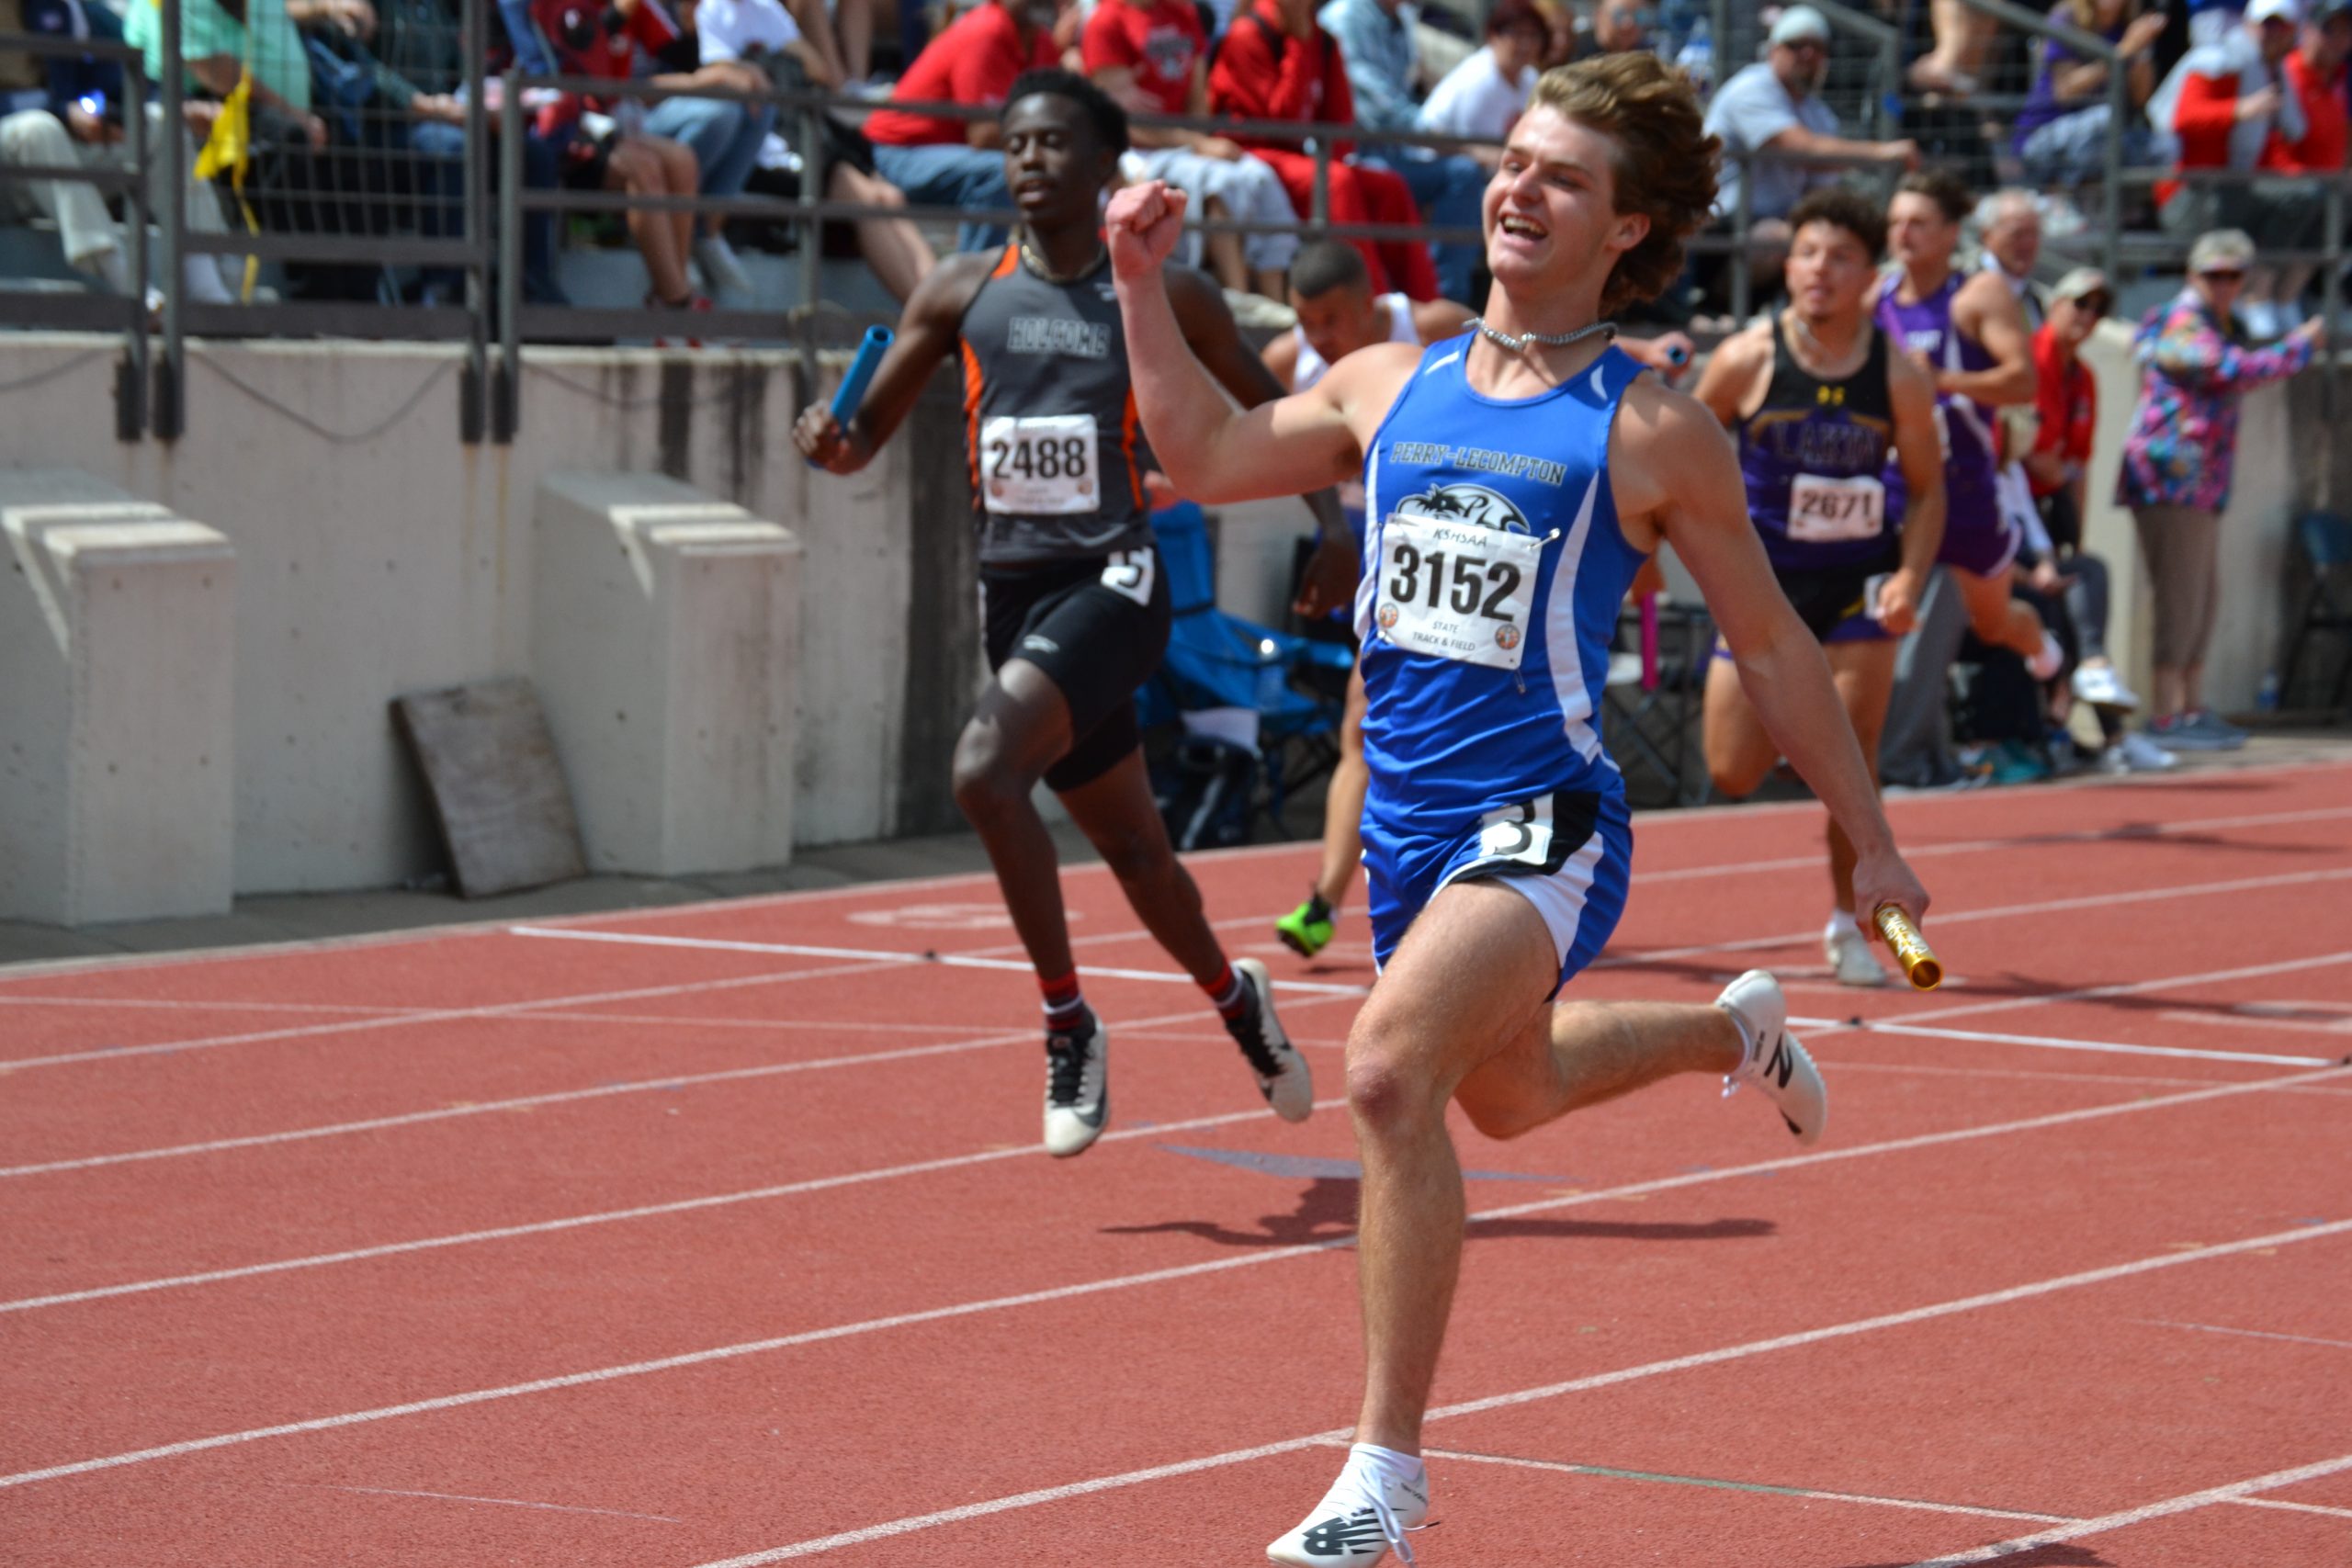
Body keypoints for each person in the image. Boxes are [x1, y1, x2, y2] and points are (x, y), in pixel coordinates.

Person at [1106, 51, 1930, 1562]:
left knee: (1380, 1078)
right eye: (1514, 162)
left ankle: (1382, 1484)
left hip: (1547, 816)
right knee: (1506, 1092)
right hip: (1416, 833)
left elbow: (1771, 645)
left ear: (1626, 229)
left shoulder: (1651, 425)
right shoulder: (1389, 381)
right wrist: (1139, 283)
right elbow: (1208, 453)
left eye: (1564, 176)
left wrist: (1871, 836)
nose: (1519, 187)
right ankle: (1729, 1030)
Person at [796, 72, 1352, 1157]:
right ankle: (1239, 1001)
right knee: (1140, 858)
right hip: (1016, 602)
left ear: (1107, 168)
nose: (1029, 160)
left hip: (1116, 582)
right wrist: (826, 436)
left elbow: (1269, 402)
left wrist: (1330, 523)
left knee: (978, 772)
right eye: (1013, 145)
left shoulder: (1157, 293)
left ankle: (1066, 1019)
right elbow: (861, 438)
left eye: (1054, 144)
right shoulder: (959, 291)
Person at [1694, 186, 1945, 988]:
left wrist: (1908, 575)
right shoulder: (1745, 357)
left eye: (1839, 257)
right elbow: (1677, 453)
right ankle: (1792, 730)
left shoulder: (1897, 375)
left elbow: (1931, 489)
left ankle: (1849, 923)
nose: (1818, 270)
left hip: (1857, 584)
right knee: (1731, 769)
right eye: (1806, 252)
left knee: (1855, 758)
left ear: (1871, 275)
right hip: (1761, 588)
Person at [1264, 241, 1474, 963]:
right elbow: (1242, 430)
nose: (1317, 340)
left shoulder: (1436, 324)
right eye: (1304, 322)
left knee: (1377, 719)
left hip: (1448, 548)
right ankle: (1327, 898)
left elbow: (1534, 367)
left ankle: (1443, 892)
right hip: (1367, 555)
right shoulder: (1289, 359)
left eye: (1329, 321)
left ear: (1369, 304)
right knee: (1367, 726)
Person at [2115, 228, 2323, 750]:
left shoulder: (2215, 320)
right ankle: (2166, 715)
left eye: (2234, 275)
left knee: (2203, 597)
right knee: (2183, 596)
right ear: (2193, 275)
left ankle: (2189, 707)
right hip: (2171, 478)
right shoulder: (2182, 321)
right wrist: (2299, 347)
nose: (2225, 285)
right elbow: (2228, 369)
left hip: (2199, 481)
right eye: (2215, 275)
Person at [1877, 168, 2065, 681]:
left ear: (1950, 233)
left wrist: (1943, 380)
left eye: (1917, 223)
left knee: (1993, 622)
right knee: (1876, 610)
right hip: (1895, 485)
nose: (1902, 234)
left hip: (1964, 485)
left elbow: (2022, 382)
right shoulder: (1876, 296)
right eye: (1896, 222)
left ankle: (2042, 645)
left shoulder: (1978, 295)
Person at [2021, 266, 2169, 773]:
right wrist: (2057, 475)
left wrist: (2073, 536)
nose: (2087, 316)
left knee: (2087, 573)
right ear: (2055, 304)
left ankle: (2103, 717)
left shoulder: (2082, 376)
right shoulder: (2032, 357)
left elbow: (2075, 467)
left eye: (2097, 309)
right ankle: (2094, 722)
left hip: (2050, 510)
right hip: (2014, 510)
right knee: (2066, 598)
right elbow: (2037, 460)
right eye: (2079, 304)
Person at [1207, 0, 1440, 301]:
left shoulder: (1323, 38)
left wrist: (1304, 39)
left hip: (1300, 158)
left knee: (1388, 186)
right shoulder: (1248, 34)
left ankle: (1428, 308)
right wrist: (1298, 45)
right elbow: (1279, 120)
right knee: (1336, 182)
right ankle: (1370, 307)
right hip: (1248, 154)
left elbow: (1339, 124)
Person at [1081, 0, 1301, 295]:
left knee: (1260, 177)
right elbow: (1120, 122)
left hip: (1185, 143)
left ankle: (1275, 302)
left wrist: (1198, 142)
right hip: (1135, 151)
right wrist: (1196, 143)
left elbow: (1198, 98)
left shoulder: (1184, 12)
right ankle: (1240, 296)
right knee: (1218, 184)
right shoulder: (1106, 21)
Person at [1701, 6, 1917, 305]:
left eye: (1817, 48)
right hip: (1719, 223)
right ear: (1773, 50)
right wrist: (1881, 153)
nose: (1807, 55)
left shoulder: (1818, 114)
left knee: (1827, 238)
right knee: (1779, 238)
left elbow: (1819, 186)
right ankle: (1714, 302)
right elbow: (1804, 149)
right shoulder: (1751, 88)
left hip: (1774, 221)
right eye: (1796, 45)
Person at [2147, 0, 2323, 337]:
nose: (2274, 34)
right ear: (2249, 24)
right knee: (2300, 197)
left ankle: (2275, 298)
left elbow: (2288, 136)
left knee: (2319, 199)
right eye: (2266, 24)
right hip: (2188, 196)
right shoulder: (2219, 60)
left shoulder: (2273, 69)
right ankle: (2253, 295)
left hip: (2227, 192)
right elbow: (2184, 117)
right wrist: (2240, 109)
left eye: (2281, 26)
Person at [1317, 0, 1489, 300]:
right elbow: (1379, 112)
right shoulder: (1346, 16)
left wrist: (1450, 142)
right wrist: (1457, 144)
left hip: (1393, 154)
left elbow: (1407, 101)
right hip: (1351, 155)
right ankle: (1428, 302)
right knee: (1417, 178)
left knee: (1463, 172)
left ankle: (1445, 300)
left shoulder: (1401, 17)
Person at [861, 0, 1058, 253]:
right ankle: (977, 283)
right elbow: (984, 135)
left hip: (948, 153)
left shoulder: (1041, 40)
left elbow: (1059, 116)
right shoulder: (987, 29)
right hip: (896, 153)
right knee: (1001, 172)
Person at [2010, 0, 2165, 190]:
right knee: (2107, 118)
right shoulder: (2066, 17)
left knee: (2166, 147)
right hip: (2041, 136)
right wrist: (2123, 52)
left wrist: (2142, 49)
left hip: (2095, 141)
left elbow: (2140, 98)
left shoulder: (2127, 27)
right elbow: (2065, 91)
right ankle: (2064, 199)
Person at [1415, 0, 1545, 163]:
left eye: (1533, 36)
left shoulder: (1530, 77)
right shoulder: (1479, 77)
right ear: (1494, 36)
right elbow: (1476, 150)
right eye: (1517, 34)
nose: (1526, 44)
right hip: (1434, 162)